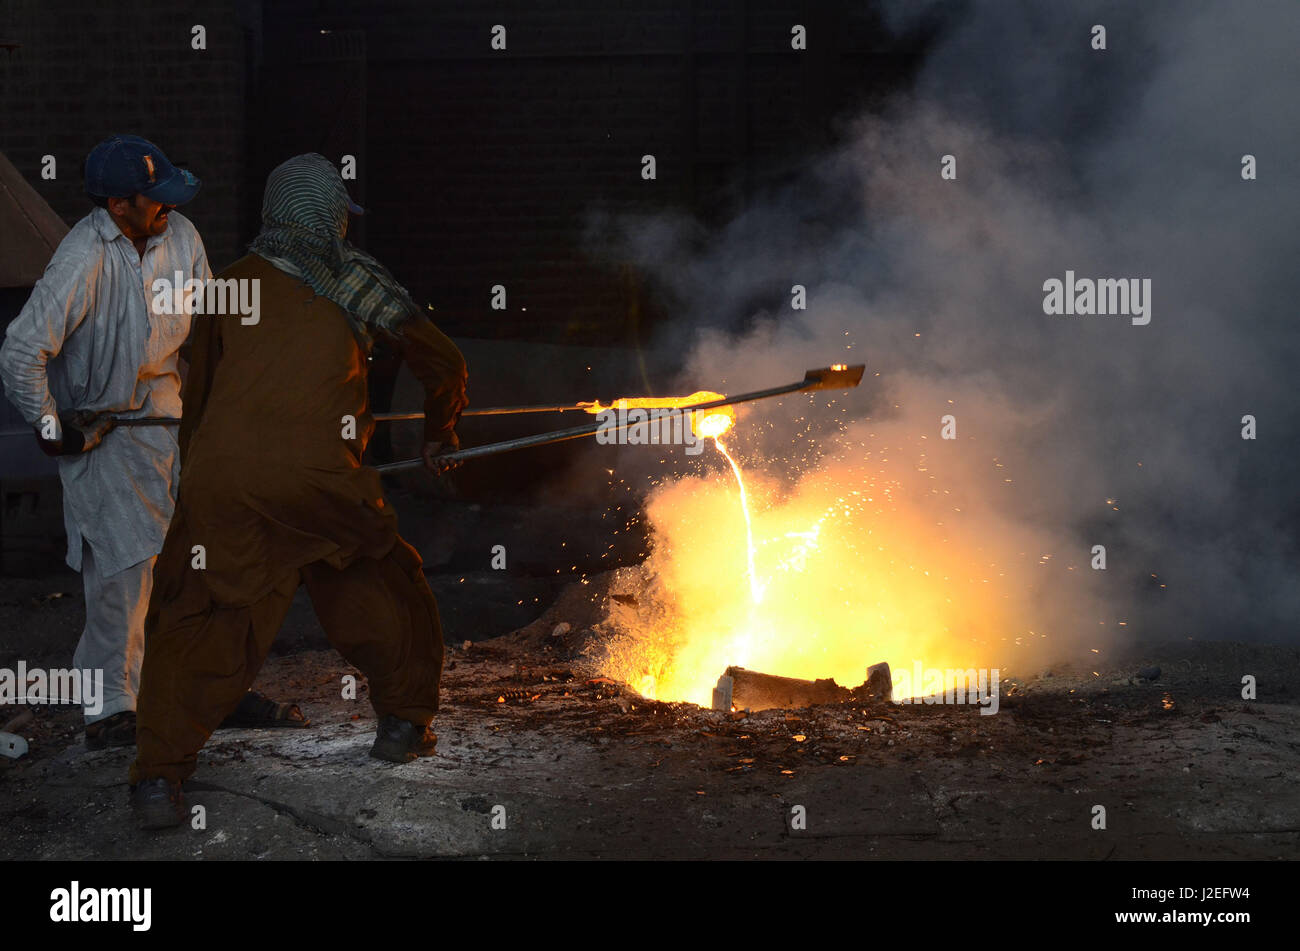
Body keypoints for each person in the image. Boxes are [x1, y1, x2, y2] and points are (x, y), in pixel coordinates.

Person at [128, 153, 468, 829]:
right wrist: (440, 436)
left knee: (201, 612)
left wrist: (199, 486)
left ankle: (156, 779)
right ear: (327, 218)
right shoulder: (355, 281)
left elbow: (202, 398)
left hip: (223, 480)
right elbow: (445, 361)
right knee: (378, 578)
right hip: (320, 479)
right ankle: (403, 724)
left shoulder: (229, 286)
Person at [0, 134, 209, 748]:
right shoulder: (82, 256)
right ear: (119, 205)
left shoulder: (184, 239)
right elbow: (19, 352)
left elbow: (203, 333)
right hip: (103, 434)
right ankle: (109, 709)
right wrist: (52, 430)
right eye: (154, 198)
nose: (167, 207)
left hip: (166, 428)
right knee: (122, 573)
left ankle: (188, 686)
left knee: (184, 567)